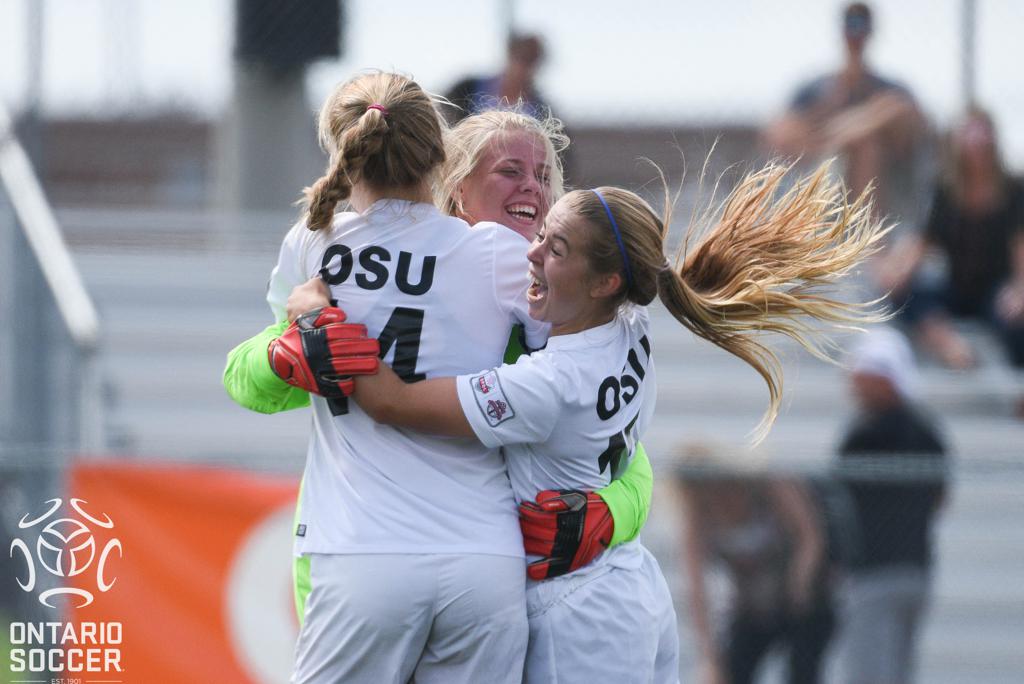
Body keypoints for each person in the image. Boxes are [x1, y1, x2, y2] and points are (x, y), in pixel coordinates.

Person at [342, 158, 889, 681]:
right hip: (630, 584)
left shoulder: (548, 384)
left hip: (577, 614)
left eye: (554, 249)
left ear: (604, 282)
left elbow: (391, 402)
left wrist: (317, 315)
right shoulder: (632, 324)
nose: (530, 255)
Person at [222, 86, 653, 681]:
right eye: (511, 171)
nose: (533, 186)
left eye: (543, 175)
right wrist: (278, 355)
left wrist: (614, 507)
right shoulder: (503, 273)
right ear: (452, 184)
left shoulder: (559, 319)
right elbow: (251, 378)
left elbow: (621, 451)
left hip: (379, 560)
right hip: (487, 567)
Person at [834, 327, 948, 684]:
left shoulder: (864, 435)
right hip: (916, 568)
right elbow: (941, 497)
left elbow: (841, 498)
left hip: (874, 572)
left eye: (861, 376)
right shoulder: (928, 431)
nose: (853, 385)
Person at [876, 107, 1024, 370]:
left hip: (997, 290)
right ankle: (949, 345)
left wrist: (1019, 288)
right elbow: (922, 241)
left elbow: (1020, 245)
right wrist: (896, 271)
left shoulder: (1013, 189)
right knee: (906, 295)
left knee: (1016, 321)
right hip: (957, 286)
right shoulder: (944, 191)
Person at [675, 445, 834, 684]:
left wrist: (800, 581)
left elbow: (810, 535)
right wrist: (709, 658)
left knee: (802, 669)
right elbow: (697, 591)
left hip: (800, 597)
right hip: (752, 608)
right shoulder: (699, 520)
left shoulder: (767, 485)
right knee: (732, 671)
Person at [762, 2, 926, 225]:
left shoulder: (889, 89)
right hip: (818, 188)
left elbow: (909, 119)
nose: (856, 33)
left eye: (862, 25)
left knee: (868, 145)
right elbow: (780, 135)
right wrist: (860, 121)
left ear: (871, 32)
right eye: (851, 24)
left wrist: (831, 131)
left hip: (882, 196)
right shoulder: (815, 90)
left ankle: (867, 241)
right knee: (857, 142)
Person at [444, 33, 551, 124]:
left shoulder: (543, 112)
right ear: (510, 54)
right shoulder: (466, 90)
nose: (525, 66)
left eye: (532, 60)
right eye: (522, 57)